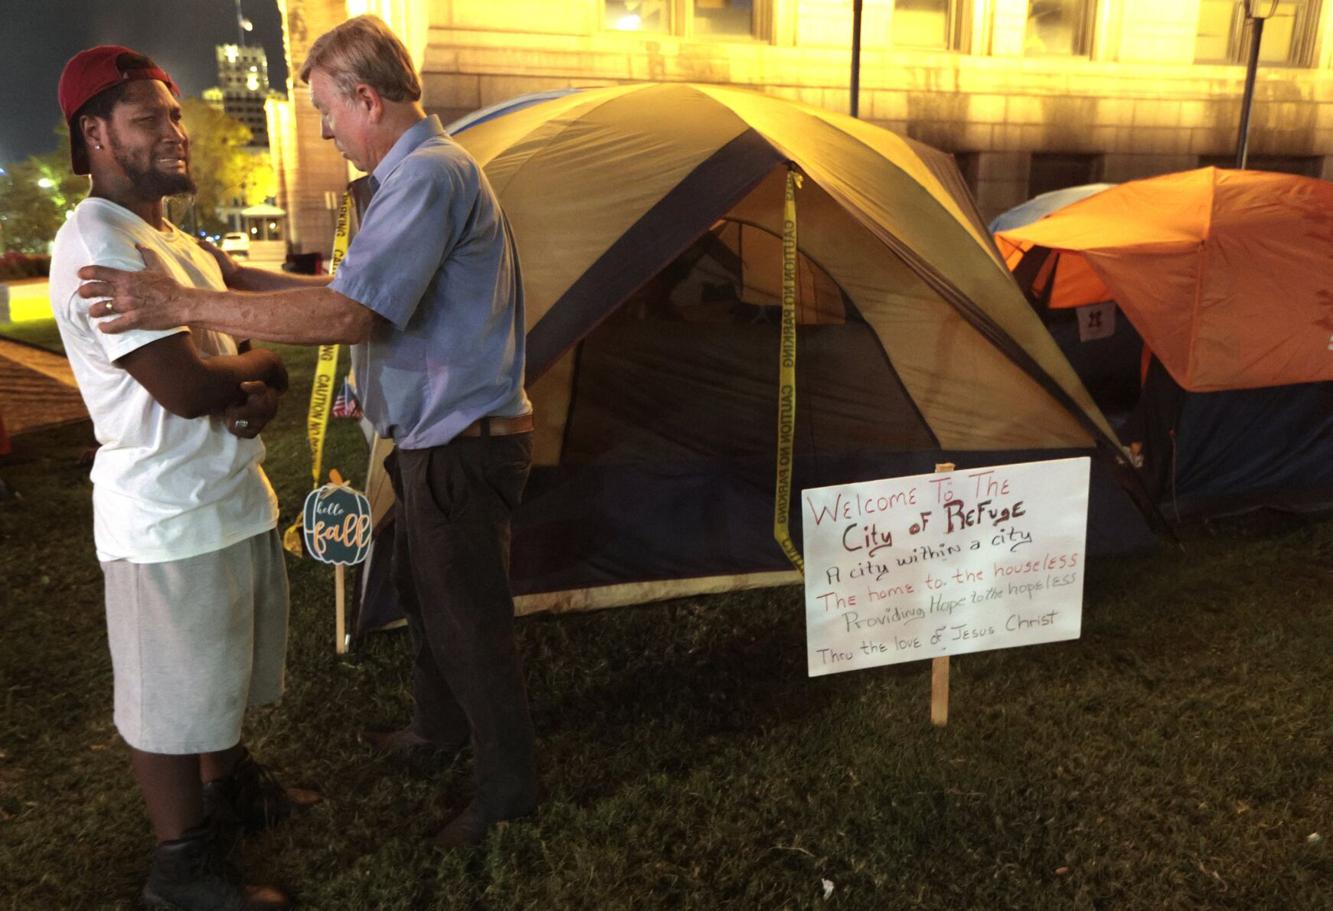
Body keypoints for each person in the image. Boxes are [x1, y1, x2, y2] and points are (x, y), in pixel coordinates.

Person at [79, 16, 539, 850]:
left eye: (329, 110)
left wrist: (181, 301)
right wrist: (222, 275)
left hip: (463, 447)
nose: (326, 130)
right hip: (437, 443)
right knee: (429, 601)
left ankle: (507, 796)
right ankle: (436, 734)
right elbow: (350, 284)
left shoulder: (427, 178)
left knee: (470, 625)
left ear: (365, 97)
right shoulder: (417, 177)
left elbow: (346, 311)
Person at [52, 45, 316, 909]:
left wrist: (253, 388)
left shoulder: (166, 236)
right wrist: (267, 368)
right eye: (147, 118)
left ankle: (230, 789)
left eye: (174, 115)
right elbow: (189, 384)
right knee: (168, 699)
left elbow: (216, 360)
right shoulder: (96, 238)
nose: (176, 132)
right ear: (93, 133)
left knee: (221, 674)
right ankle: (181, 865)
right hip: (164, 516)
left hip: (224, 496)